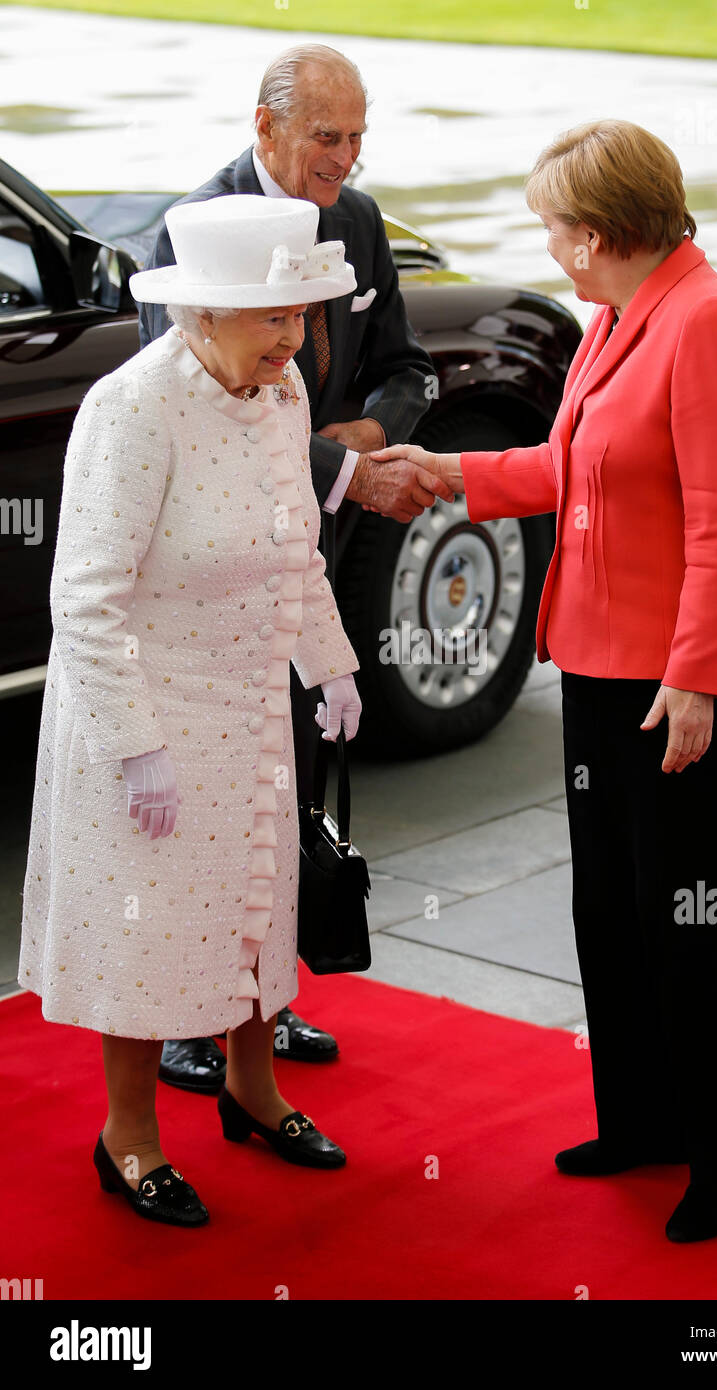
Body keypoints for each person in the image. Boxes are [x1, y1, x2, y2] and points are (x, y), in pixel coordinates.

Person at [375, 120, 717, 1243]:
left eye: (553, 228)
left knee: (687, 917)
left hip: (692, 679)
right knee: (610, 909)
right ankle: (644, 1121)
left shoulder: (706, 320)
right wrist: (447, 474)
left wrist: (696, 678)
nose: (547, 244)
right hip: (607, 669)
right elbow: (578, 466)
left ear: (598, 231)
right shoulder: (621, 312)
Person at [18, 195, 375, 1226]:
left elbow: (295, 546)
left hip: (249, 702)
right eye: (270, 318)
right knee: (150, 932)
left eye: (298, 316)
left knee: (256, 911)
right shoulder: (132, 408)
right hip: (149, 711)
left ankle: (252, 1093)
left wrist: (331, 664)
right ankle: (126, 1138)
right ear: (202, 315)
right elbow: (84, 598)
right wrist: (137, 749)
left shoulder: (281, 392)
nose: (291, 338)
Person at [139, 43, 447, 1089]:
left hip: (313, 560)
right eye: (328, 137)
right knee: (209, 808)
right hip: (212, 583)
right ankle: (185, 1018)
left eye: (360, 137)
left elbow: (408, 368)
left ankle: (259, 1017)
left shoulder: (356, 221)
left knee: (285, 799)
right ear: (264, 127)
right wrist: (338, 468)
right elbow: (211, 414)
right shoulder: (194, 230)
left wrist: (367, 437)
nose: (347, 159)